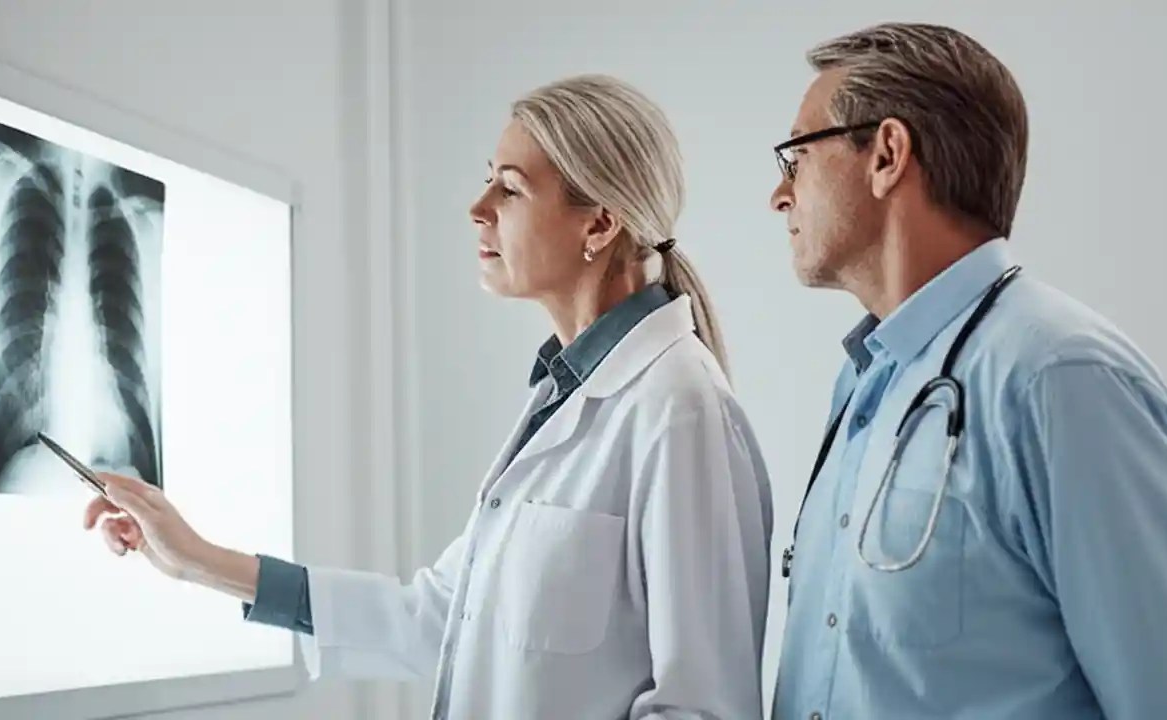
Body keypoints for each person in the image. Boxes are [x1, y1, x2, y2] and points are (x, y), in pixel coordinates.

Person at [84, 74, 774, 719]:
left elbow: (702, 706)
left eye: (509, 189)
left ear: (599, 225)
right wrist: (196, 559)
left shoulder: (678, 410)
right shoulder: (565, 396)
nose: (477, 210)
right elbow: (440, 617)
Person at [768, 21, 1167, 720]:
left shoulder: (1059, 378)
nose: (779, 195)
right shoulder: (867, 383)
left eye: (795, 158)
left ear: (887, 153)